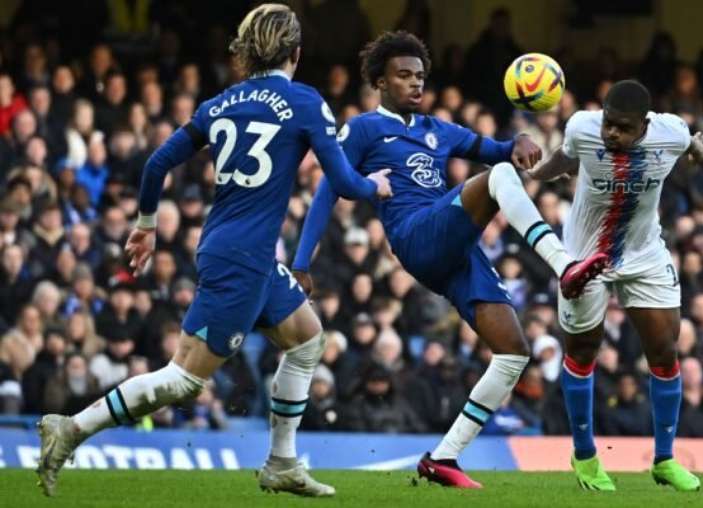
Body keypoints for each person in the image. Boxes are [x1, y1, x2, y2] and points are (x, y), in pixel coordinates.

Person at [35, 4, 391, 498]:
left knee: (307, 340)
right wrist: (376, 186)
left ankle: (282, 463)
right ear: (296, 53)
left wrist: (146, 226)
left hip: (239, 251)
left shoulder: (221, 102)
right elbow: (346, 185)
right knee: (183, 380)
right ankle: (70, 429)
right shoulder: (307, 103)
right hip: (242, 260)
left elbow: (157, 164)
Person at [291, 31, 608, 488]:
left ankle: (444, 458)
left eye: (420, 76)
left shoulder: (439, 130)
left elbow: (502, 152)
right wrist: (302, 263)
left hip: (455, 250)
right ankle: (564, 265)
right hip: (417, 236)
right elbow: (327, 191)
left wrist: (519, 137)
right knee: (496, 178)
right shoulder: (363, 129)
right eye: (404, 76)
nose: (415, 84)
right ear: (380, 82)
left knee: (513, 353)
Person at [528, 79, 703, 491]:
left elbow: (688, 144)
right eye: (609, 123)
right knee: (582, 351)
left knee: (664, 350)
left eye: (623, 128)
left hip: (644, 255)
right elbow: (567, 155)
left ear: (644, 124)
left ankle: (664, 460)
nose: (611, 133)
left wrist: (697, 149)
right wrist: (539, 173)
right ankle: (586, 456)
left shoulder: (670, 132)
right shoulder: (581, 128)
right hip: (584, 257)